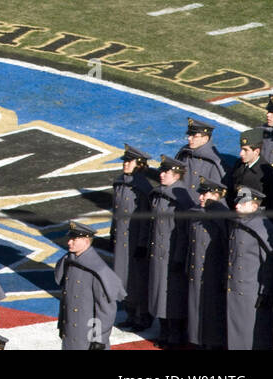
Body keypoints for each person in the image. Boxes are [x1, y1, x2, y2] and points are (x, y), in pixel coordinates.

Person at [146, 156, 195, 348]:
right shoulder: (159, 194)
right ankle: (165, 330)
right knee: (159, 294)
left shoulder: (181, 200)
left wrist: (178, 257)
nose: (161, 174)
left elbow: (183, 232)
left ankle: (175, 335)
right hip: (159, 254)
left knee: (172, 296)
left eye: (166, 172)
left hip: (172, 255)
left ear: (176, 174)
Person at [53, 221, 124, 349]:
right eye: (70, 238)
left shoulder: (97, 270)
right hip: (70, 334)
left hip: (87, 338)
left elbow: (105, 309)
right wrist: (62, 325)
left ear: (86, 241)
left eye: (74, 239)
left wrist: (99, 339)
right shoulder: (69, 261)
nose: (69, 242)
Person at [225, 187, 273, 350]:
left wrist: (264, 291)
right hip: (235, 289)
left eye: (242, 203)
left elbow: (269, 263)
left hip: (251, 292)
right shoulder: (238, 224)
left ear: (254, 206)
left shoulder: (263, 228)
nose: (237, 206)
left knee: (250, 335)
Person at [111, 144, 154, 331]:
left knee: (138, 278)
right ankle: (130, 313)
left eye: (129, 162)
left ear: (140, 165)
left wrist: (143, 243)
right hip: (122, 239)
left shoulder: (142, 188)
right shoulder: (121, 182)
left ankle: (142, 316)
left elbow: (146, 219)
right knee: (122, 276)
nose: (125, 164)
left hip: (136, 240)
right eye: (125, 161)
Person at [184, 178, 228, 350]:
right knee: (196, 307)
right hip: (197, 269)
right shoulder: (197, 213)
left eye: (205, 194)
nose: (201, 197)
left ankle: (212, 343)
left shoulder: (221, 217)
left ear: (216, 195)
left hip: (213, 272)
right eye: (201, 194)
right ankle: (197, 341)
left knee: (211, 309)